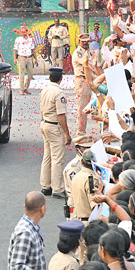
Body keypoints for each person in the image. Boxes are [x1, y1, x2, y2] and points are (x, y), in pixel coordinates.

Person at [5, 192, 51, 270]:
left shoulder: (31, 227)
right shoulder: (25, 232)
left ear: (24, 206)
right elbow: (17, 267)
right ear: (42, 209)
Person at [40, 67, 71, 198]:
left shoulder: (45, 90)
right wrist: (67, 133)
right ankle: (57, 189)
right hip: (54, 126)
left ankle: (45, 186)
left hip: (45, 123)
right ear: (61, 78)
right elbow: (61, 115)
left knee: (47, 156)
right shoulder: (59, 93)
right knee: (57, 158)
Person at [72, 38, 91, 134]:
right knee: (82, 107)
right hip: (82, 80)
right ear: (79, 42)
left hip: (88, 80)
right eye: (83, 41)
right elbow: (86, 63)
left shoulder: (87, 51)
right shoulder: (78, 53)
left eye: (87, 41)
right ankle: (81, 131)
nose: (85, 43)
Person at [15, 28, 36, 94]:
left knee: (30, 74)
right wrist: (15, 59)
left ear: (27, 32)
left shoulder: (30, 39)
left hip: (29, 57)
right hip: (21, 57)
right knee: (22, 74)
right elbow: (15, 50)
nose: (23, 33)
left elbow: (33, 50)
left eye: (24, 32)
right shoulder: (18, 39)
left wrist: (36, 59)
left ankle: (25, 87)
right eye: (22, 32)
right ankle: (21, 89)